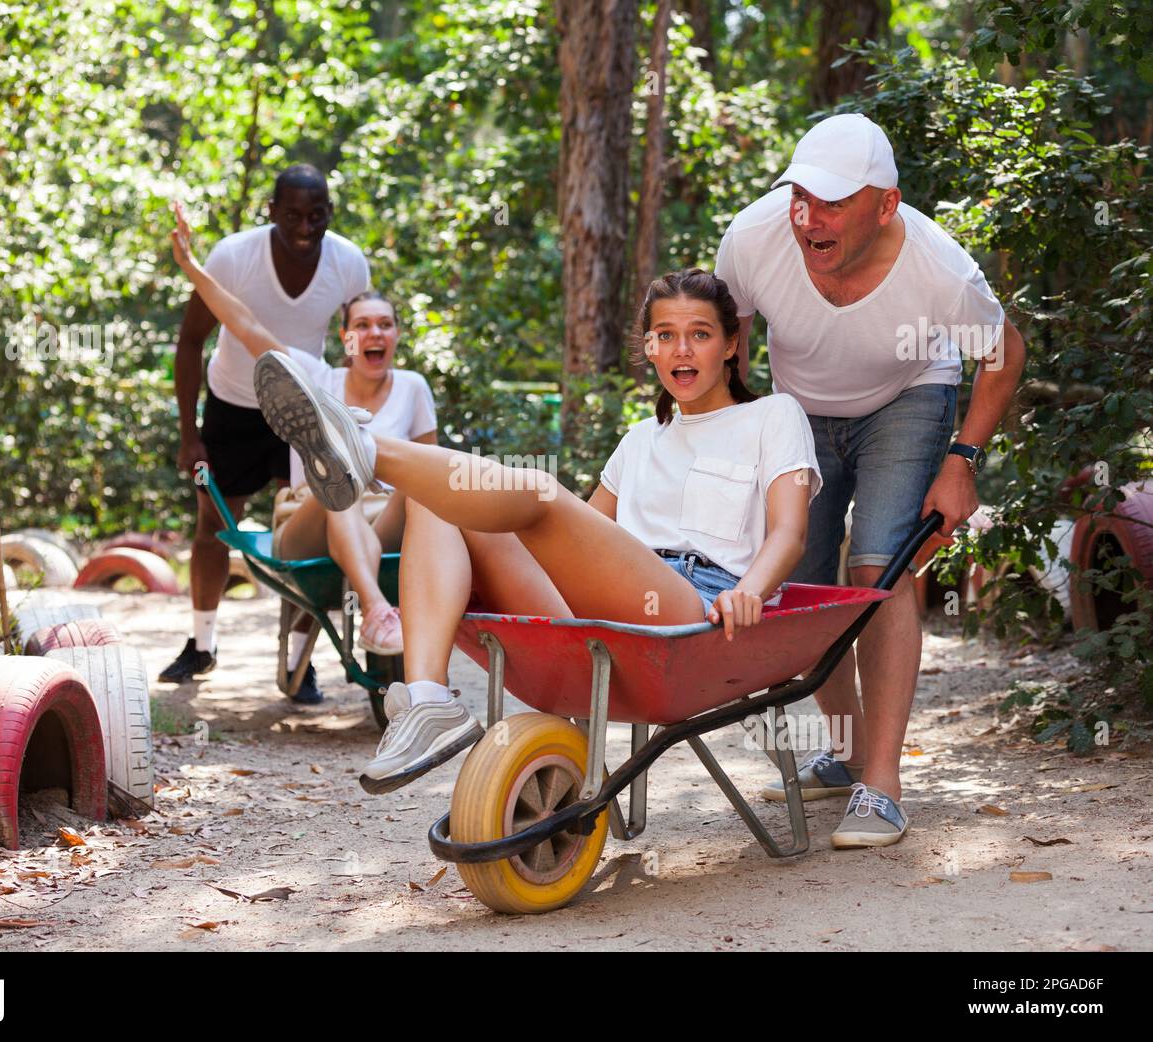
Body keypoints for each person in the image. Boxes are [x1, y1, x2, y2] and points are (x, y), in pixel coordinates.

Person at [250, 268, 823, 794]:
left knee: (543, 497)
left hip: (696, 615)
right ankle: (427, 700)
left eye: (700, 334)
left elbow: (789, 532)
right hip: (606, 617)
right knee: (440, 501)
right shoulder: (640, 440)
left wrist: (750, 588)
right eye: (664, 335)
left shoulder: (772, 416)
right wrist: (487, 544)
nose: (681, 348)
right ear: (649, 349)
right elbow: (582, 541)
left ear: (730, 345)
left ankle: (366, 449)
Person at [713, 113, 1025, 847]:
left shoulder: (940, 268)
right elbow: (728, 334)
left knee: (878, 569)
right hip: (799, 411)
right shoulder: (754, 238)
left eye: (831, 203)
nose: (808, 219)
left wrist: (962, 462)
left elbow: (1003, 352)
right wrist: (742, 431)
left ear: (885, 204)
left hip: (908, 400)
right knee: (809, 586)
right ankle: (848, 751)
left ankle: (881, 783)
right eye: (800, 198)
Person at [160, 165, 370, 703]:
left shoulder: (348, 264)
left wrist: (353, 414)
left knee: (305, 534)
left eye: (317, 214)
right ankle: (202, 644)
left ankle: (298, 664)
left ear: (330, 213)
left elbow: (359, 346)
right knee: (213, 526)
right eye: (294, 214)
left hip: (304, 407)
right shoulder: (234, 257)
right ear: (271, 211)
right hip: (234, 405)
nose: (306, 226)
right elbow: (190, 343)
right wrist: (190, 434)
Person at [274, 291, 440, 657]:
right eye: (362, 325)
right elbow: (247, 327)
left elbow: (430, 464)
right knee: (338, 476)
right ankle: (376, 609)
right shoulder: (319, 381)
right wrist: (193, 268)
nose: (375, 333)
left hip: (378, 520)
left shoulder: (413, 386)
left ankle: (393, 617)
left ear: (397, 334)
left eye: (385, 324)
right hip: (307, 520)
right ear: (345, 336)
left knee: (423, 486)